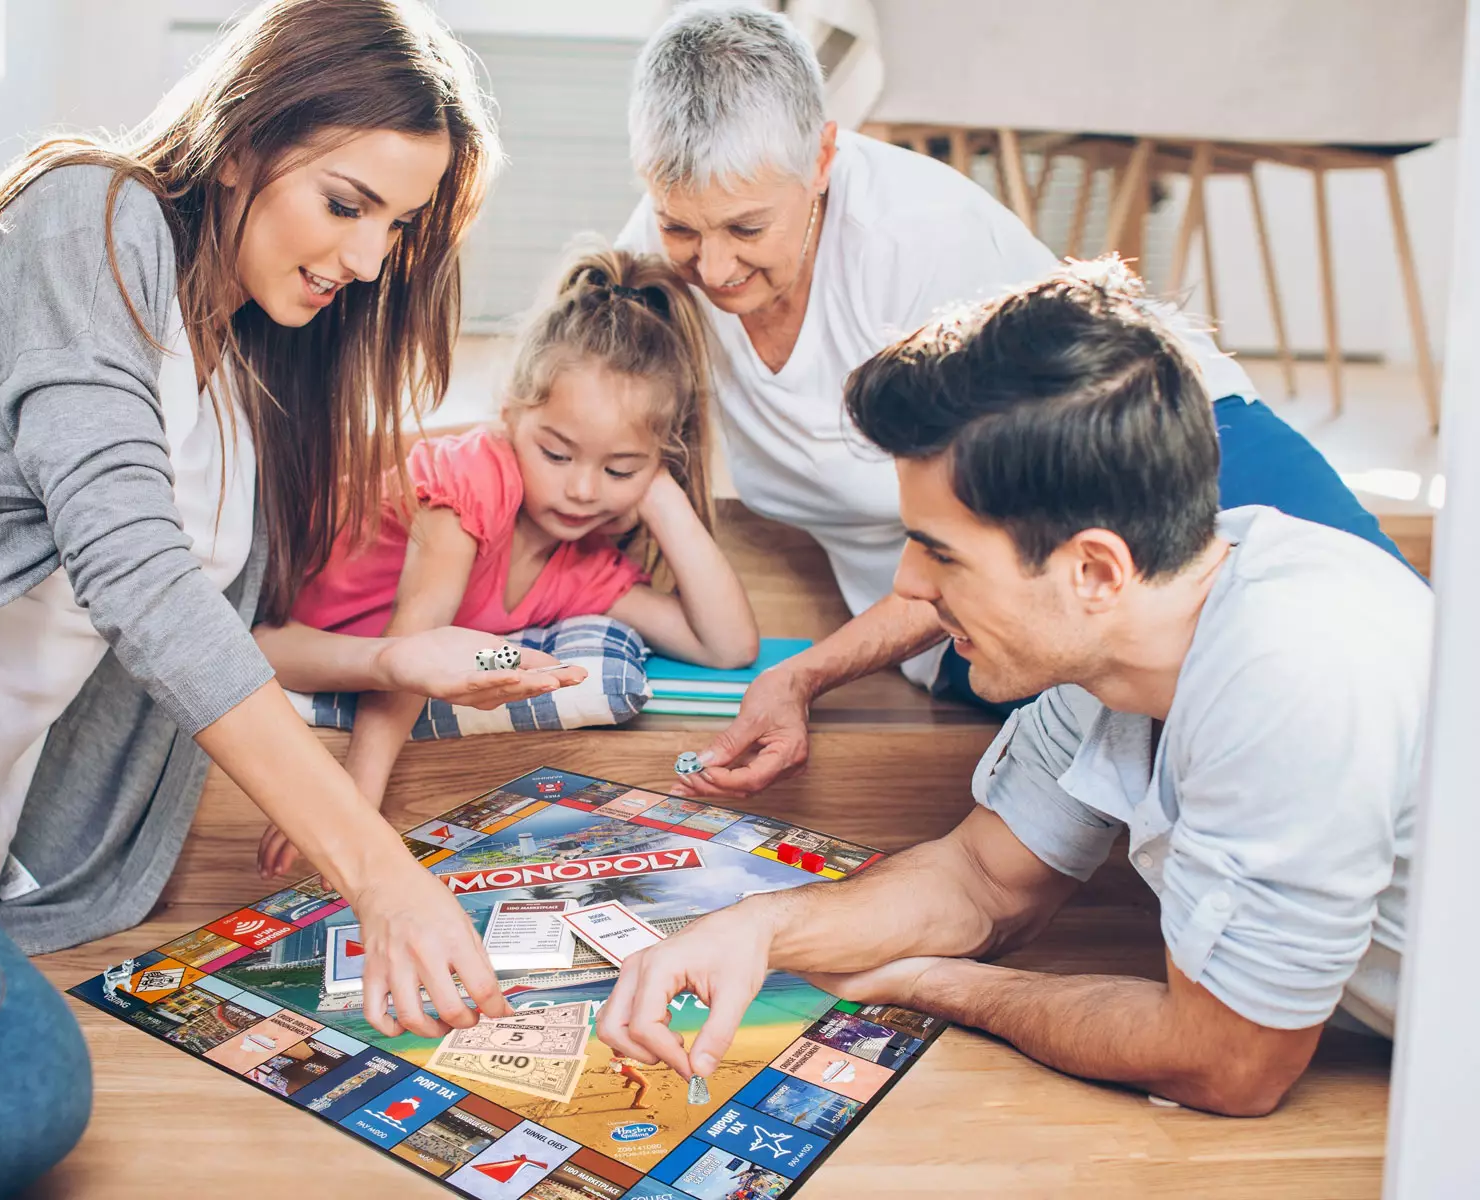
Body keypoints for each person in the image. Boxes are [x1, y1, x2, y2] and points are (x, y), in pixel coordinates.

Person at [0, 1, 570, 1192]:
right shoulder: (96, 217)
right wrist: (378, 870)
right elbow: (130, 571)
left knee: (11, 1079)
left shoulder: (247, 383)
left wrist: (382, 664)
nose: (367, 260)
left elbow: (178, 639)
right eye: (348, 204)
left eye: (397, 228)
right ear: (248, 140)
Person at [596, 262, 1428, 1117]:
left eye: (942, 551)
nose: (909, 587)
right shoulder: (1121, 635)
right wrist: (760, 927)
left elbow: (1226, 1064)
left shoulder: (1299, 666)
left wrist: (938, 986)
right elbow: (980, 882)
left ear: (1093, 569)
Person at [613, 1, 1415, 798]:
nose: (713, 269)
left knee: (1397, 679)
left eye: (747, 230)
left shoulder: (920, 239)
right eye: (683, 227)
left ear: (822, 159)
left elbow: (1007, 522)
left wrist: (807, 673)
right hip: (965, 595)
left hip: (1180, 443)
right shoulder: (649, 260)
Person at [260, 248, 758, 867]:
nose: (583, 489)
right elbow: (417, 639)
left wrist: (661, 494)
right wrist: (354, 800)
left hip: (369, 663)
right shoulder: (477, 479)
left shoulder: (581, 566)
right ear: (511, 419)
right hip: (272, 642)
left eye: (619, 467)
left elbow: (728, 646)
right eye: (556, 454)